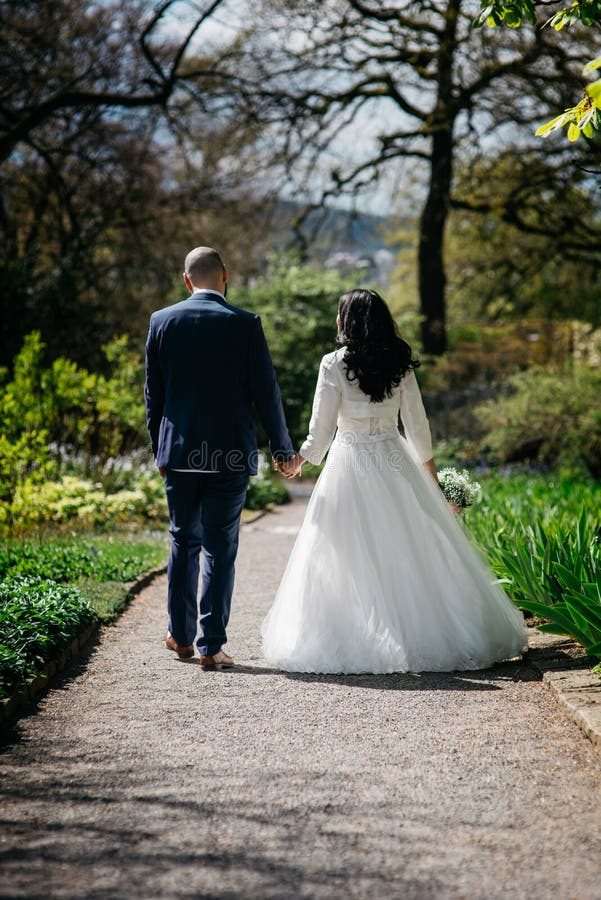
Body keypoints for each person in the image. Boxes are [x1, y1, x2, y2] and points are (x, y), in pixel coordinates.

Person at [264, 288, 526, 674]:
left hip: (349, 463)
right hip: (393, 459)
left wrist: (299, 460)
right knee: (406, 549)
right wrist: (432, 481)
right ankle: (421, 635)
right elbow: (417, 425)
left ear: (346, 321)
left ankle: (357, 635)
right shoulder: (399, 362)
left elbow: (321, 430)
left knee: (343, 551)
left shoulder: (332, 364)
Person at [145, 246, 294, 669]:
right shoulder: (245, 324)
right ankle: (211, 645)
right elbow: (267, 392)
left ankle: (179, 636)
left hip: (179, 453)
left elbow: (154, 394)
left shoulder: (161, 321)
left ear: (186, 280)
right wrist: (282, 449)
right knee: (220, 547)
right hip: (229, 454)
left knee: (183, 540)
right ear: (225, 275)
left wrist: (160, 448)